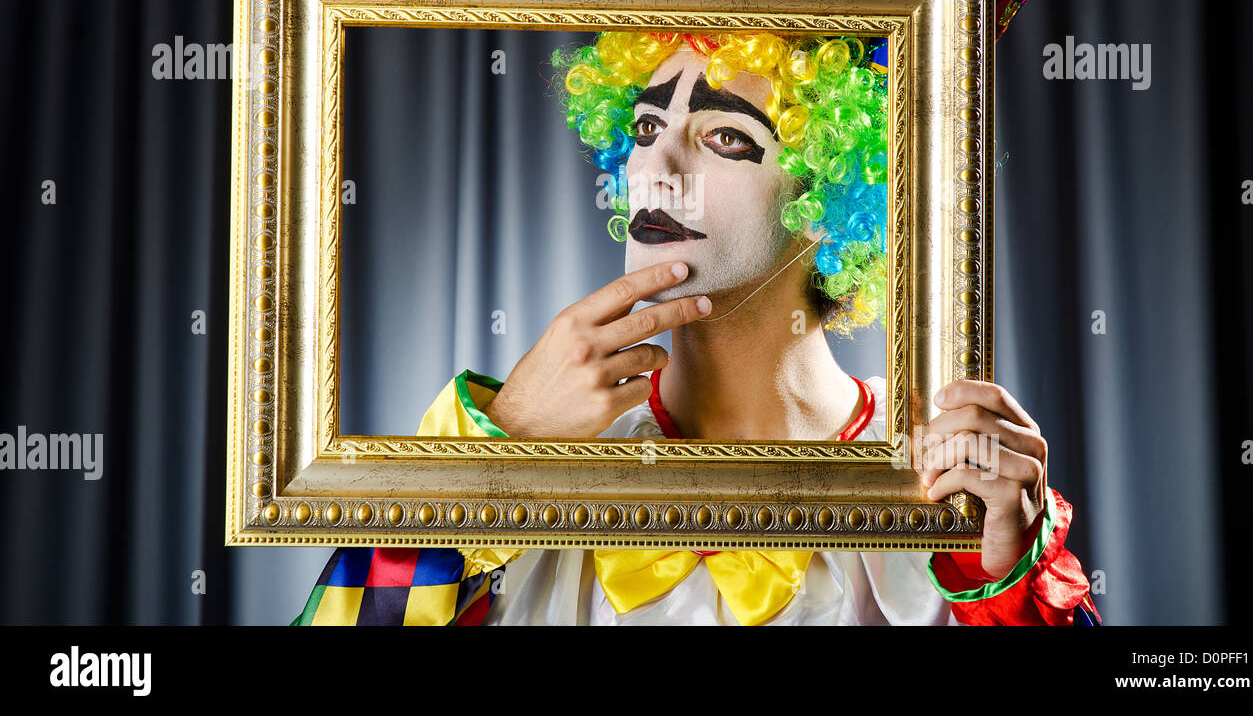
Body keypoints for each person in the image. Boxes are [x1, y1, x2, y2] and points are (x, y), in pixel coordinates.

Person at [292, 31, 1101, 626]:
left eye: (724, 137)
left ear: (841, 192)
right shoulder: (533, 453)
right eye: (645, 129)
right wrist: (492, 451)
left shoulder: (952, 476)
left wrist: (1004, 584)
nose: (656, 170)